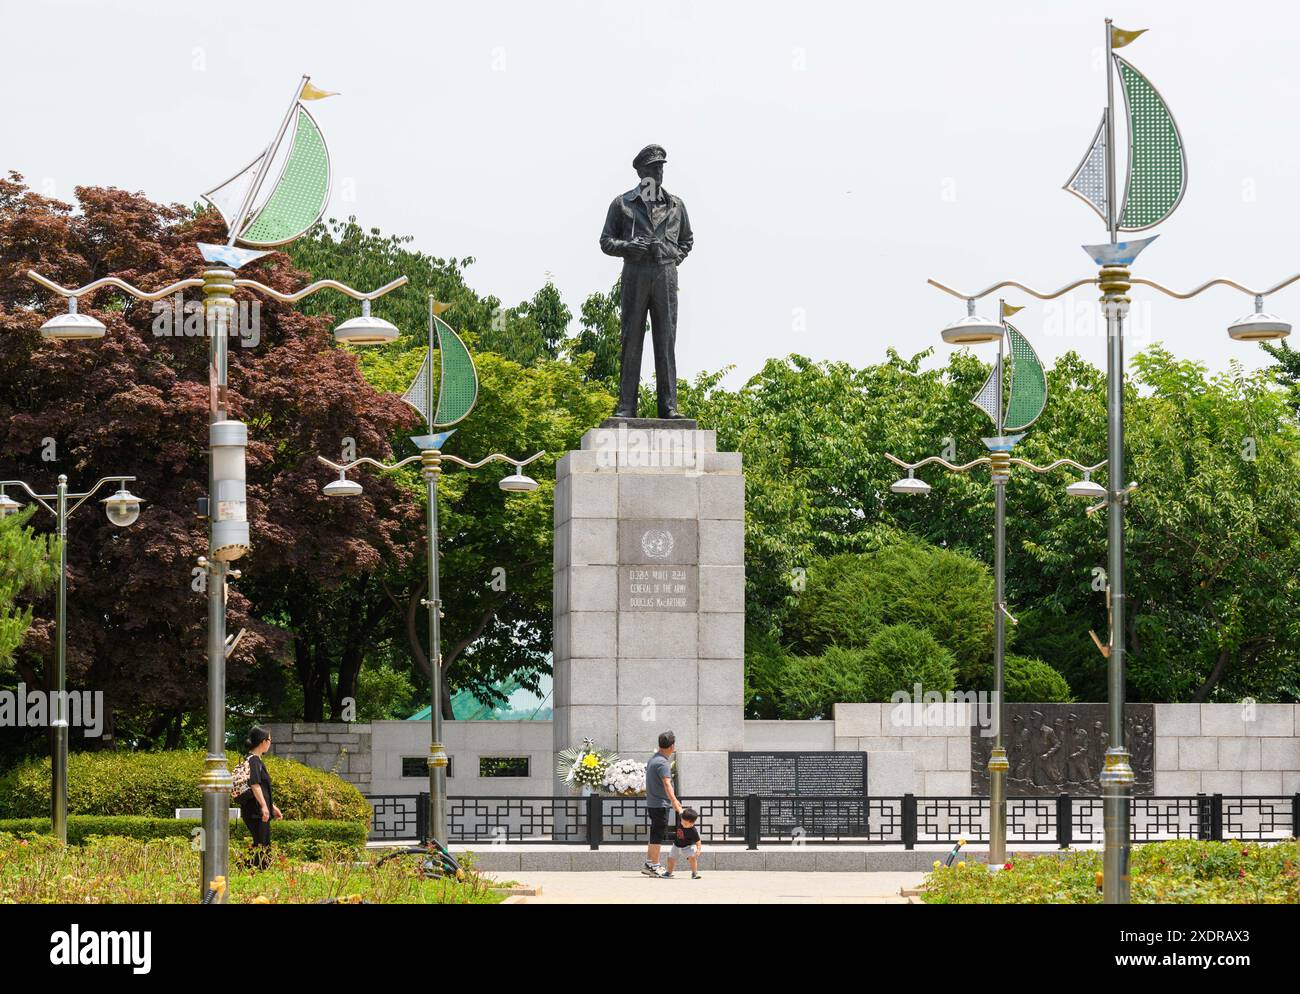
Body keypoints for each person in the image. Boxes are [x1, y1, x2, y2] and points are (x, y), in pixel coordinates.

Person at [599, 144, 694, 420]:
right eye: (653, 168)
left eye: (661, 167)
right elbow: (606, 241)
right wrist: (629, 247)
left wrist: (674, 256)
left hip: (665, 275)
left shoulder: (676, 205)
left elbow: (687, 239)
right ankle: (626, 406)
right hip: (636, 274)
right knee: (631, 339)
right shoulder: (623, 203)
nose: (658, 172)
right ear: (640, 171)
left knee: (666, 341)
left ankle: (669, 406)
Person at [642, 730, 683, 878]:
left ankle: (649, 863)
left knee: (655, 833)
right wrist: (675, 803)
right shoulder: (663, 763)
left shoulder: (654, 759)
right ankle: (654, 864)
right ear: (672, 746)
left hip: (653, 803)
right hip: (660, 804)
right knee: (657, 835)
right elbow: (667, 784)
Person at [238, 726, 282, 868]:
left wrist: (271, 807)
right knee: (262, 845)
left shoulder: (252, 760)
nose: (270, 743)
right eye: (270, 740)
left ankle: (246, 868)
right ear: (264, 742)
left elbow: (262, 789)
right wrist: (264, 807)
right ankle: (253, 870)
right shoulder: (254, 761)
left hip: (256, 810)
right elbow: (255, 785)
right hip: (256, 811)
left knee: (261, 843)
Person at [664, 807, 702, 879]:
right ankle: (668, 872)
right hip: (676, 845)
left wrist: (698, 849)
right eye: (682, 821)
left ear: (692, 823)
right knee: (670, 859)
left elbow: (698, 841)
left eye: (685, 823)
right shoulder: (682, 817)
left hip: (687, 846)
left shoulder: (693, 831)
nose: (683, 823)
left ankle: (694, 873)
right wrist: (675, 803)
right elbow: (680, 810)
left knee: (692, 858)